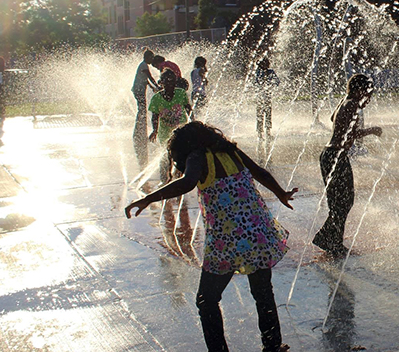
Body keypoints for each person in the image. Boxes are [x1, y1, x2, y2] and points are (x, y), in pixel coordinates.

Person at [125, 121, 297, 352]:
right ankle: (273, 345)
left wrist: (149, 198)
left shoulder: (198, 157)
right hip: (258, 232)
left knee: (206, 300)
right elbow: (260, 172)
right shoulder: (230, 151)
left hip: (228, 240)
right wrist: (281, 193)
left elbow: (186, 183)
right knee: (263, 291)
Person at [312, 74, 382, 257]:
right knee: (344, 201)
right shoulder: (352, 104)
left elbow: (331, 117)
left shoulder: (346, 100)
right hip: (336, 156)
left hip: (331, 155)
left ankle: (330, 239)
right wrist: (372, 131)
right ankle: (330, 240)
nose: (368, 100)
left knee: (340, 201)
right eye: (368, 95)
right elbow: (350, 135)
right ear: (360, 90)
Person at [149, 69, 192, 184]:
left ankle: (179, 178)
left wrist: (193, 122)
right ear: (161, 83)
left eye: (172, 82)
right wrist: (155, 130)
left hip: (180, 130)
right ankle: (166, 178)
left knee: (181, 154)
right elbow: (155, 116)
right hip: (165, 132)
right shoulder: (156, 98)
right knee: (167, 155)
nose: (170, 85)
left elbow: (188, 108)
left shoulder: (181, 93)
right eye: (167, 82)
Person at [132, 49, 159, 169]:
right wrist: (157, 86)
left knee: (142, 107)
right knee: (142, 107)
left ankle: (141, 122)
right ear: (147, 57)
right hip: (138, 89)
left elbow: (146, 79)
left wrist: (152, 87)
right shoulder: (144, 65)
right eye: (151, 58)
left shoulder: (143, 65)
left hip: (140, 88)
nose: (152, 60)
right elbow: (149, 76)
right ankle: (140, 123)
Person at [255, 62, 279, 141]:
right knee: (260, 116)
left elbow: (277, 82)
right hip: (260, 98)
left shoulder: (270, 72)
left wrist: (271, 85)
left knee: (267, 115)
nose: (268, 65)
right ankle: (260, 135)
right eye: (266, 63)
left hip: (266, 97)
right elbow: (255, 82)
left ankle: (268, 133)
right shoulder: (258, 72)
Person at [190, 56, 208, 120]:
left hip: (194, 93)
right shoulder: (201, 70)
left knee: (196, 111)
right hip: (201, 93)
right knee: (202, 111)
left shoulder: (193, 72)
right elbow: (205, 82)